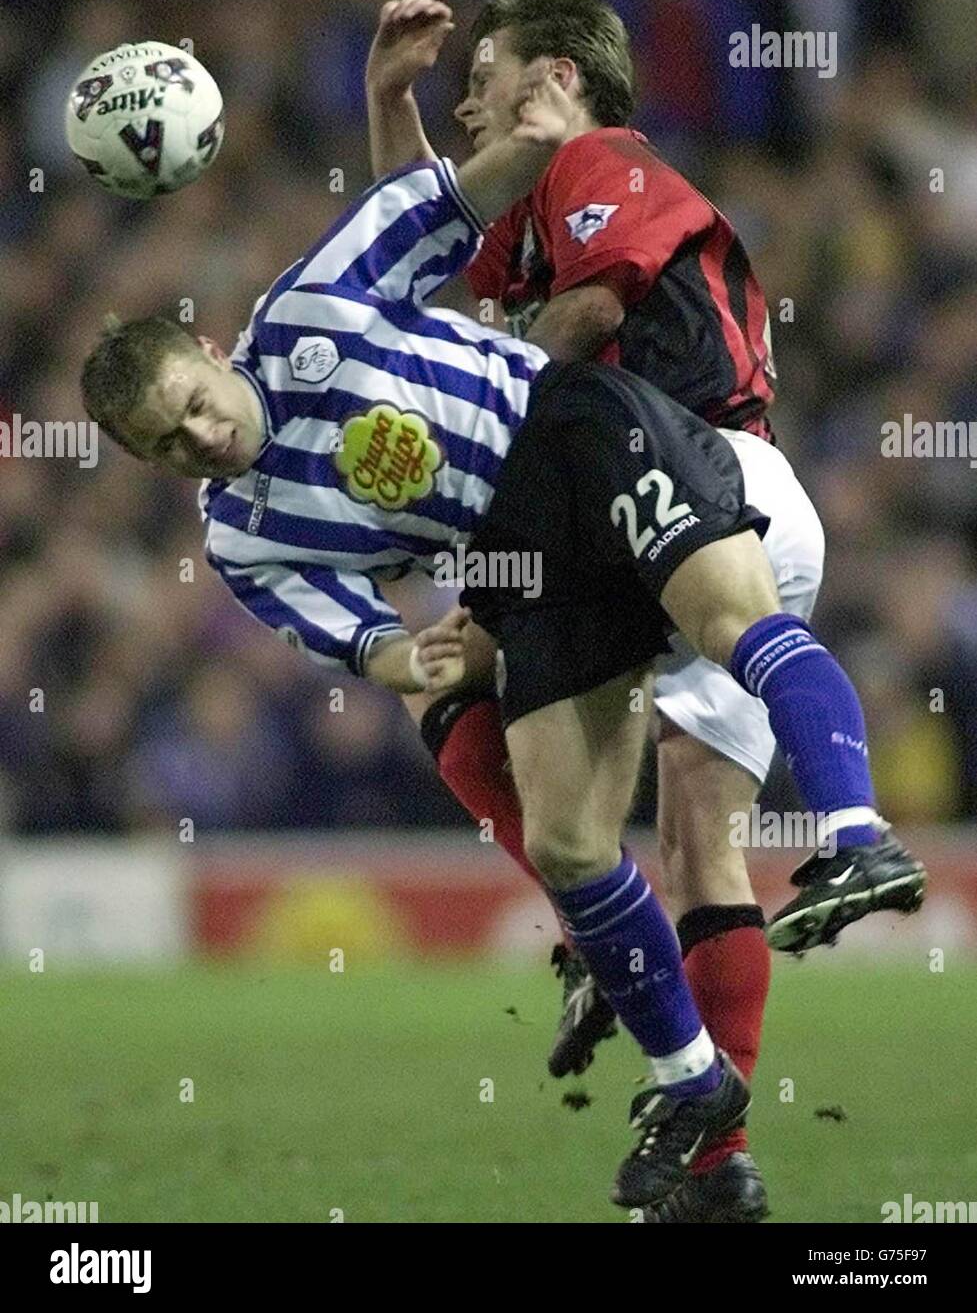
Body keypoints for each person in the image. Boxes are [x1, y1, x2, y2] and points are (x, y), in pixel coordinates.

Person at [80, 69, 923, 1212]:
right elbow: (347, 632)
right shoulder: (241, 534)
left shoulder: (306, 306)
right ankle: (691, 1085)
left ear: (209, 352)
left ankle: (857, 834)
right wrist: (398, 657)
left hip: (580, 435)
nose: (198, 439)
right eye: (167, 447)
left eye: (191, 406)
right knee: (579, 847)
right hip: (525, 564)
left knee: (735, 638)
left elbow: (430, 208)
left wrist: (519, 141)